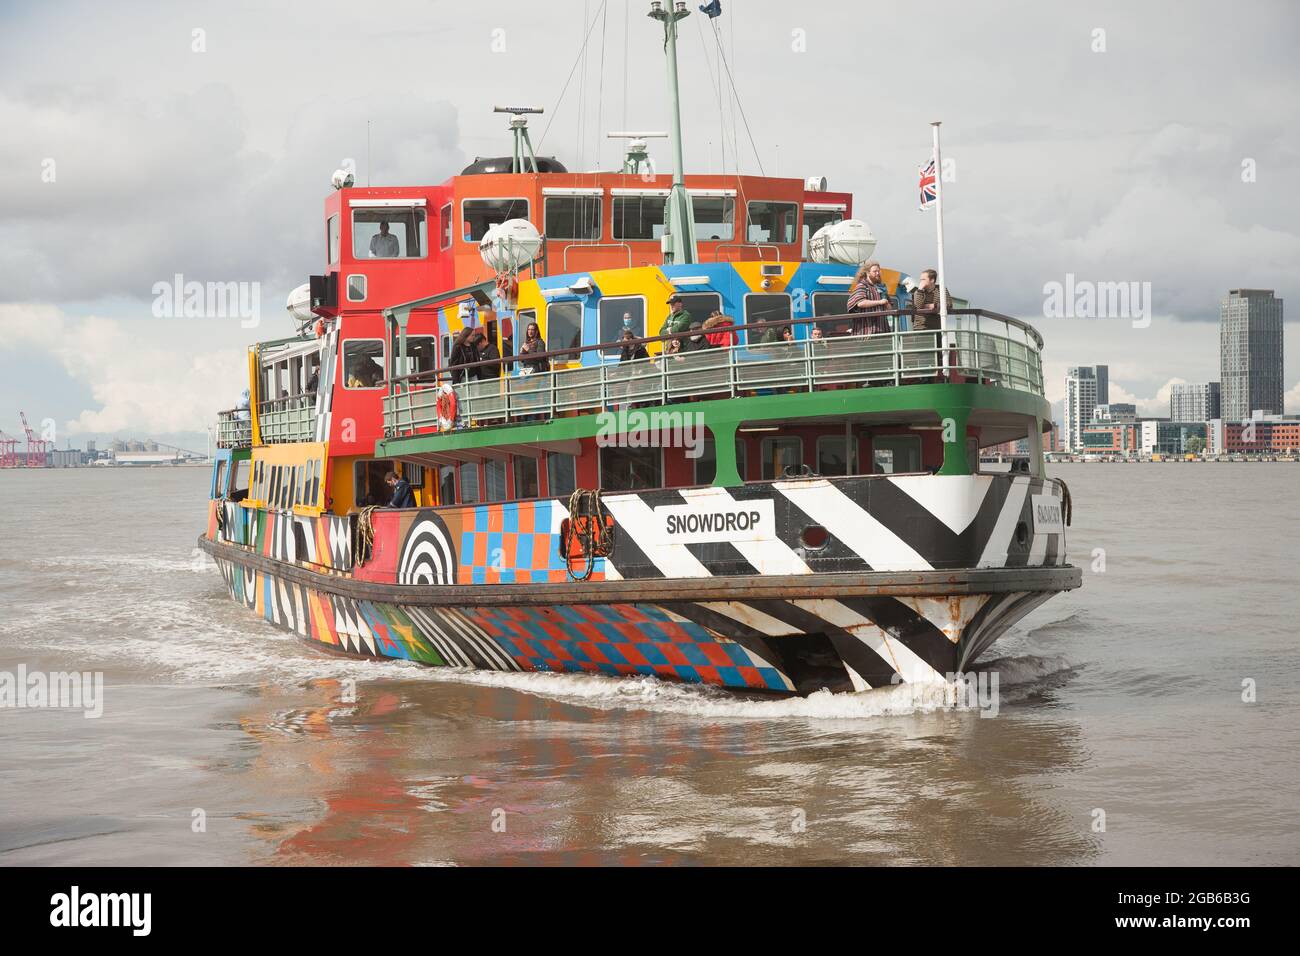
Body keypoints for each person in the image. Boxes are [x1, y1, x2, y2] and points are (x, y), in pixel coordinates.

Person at [847, 260, 893, 335]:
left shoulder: (881, 287)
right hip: (867, 331)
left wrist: (886, 303)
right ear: (868, 273)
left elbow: (890, 308)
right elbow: (860, 303)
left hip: (883, 330)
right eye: (875, 271)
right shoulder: (862, 285)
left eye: (878, 271)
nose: (878, 273)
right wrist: (879, 302)